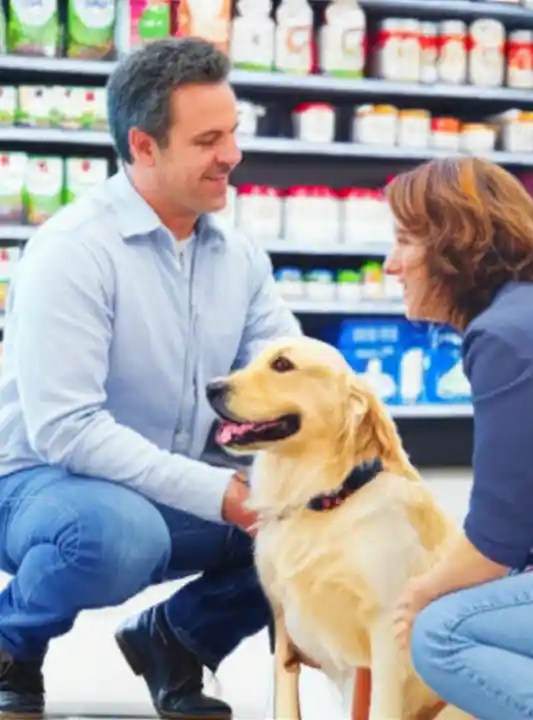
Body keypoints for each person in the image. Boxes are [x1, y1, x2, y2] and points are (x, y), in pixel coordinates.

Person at [0, 38, 298, 717]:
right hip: (34, 484)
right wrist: (221, 493)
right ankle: (11, 640)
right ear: (143, 146)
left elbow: (288, 366)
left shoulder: (237, 254)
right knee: (118, 535)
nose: (233, 155)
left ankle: (179, 639)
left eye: (233, 134)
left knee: (307, 519)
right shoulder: (74, 252)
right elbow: (67, 431)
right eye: (208, 139)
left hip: (162, 482)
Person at [385, 157, 533, 720]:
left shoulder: (505, 336)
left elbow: (493, 541)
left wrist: (418, 594)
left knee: (438, 632)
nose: (391, 265)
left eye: (405, 242)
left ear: (456, 245)